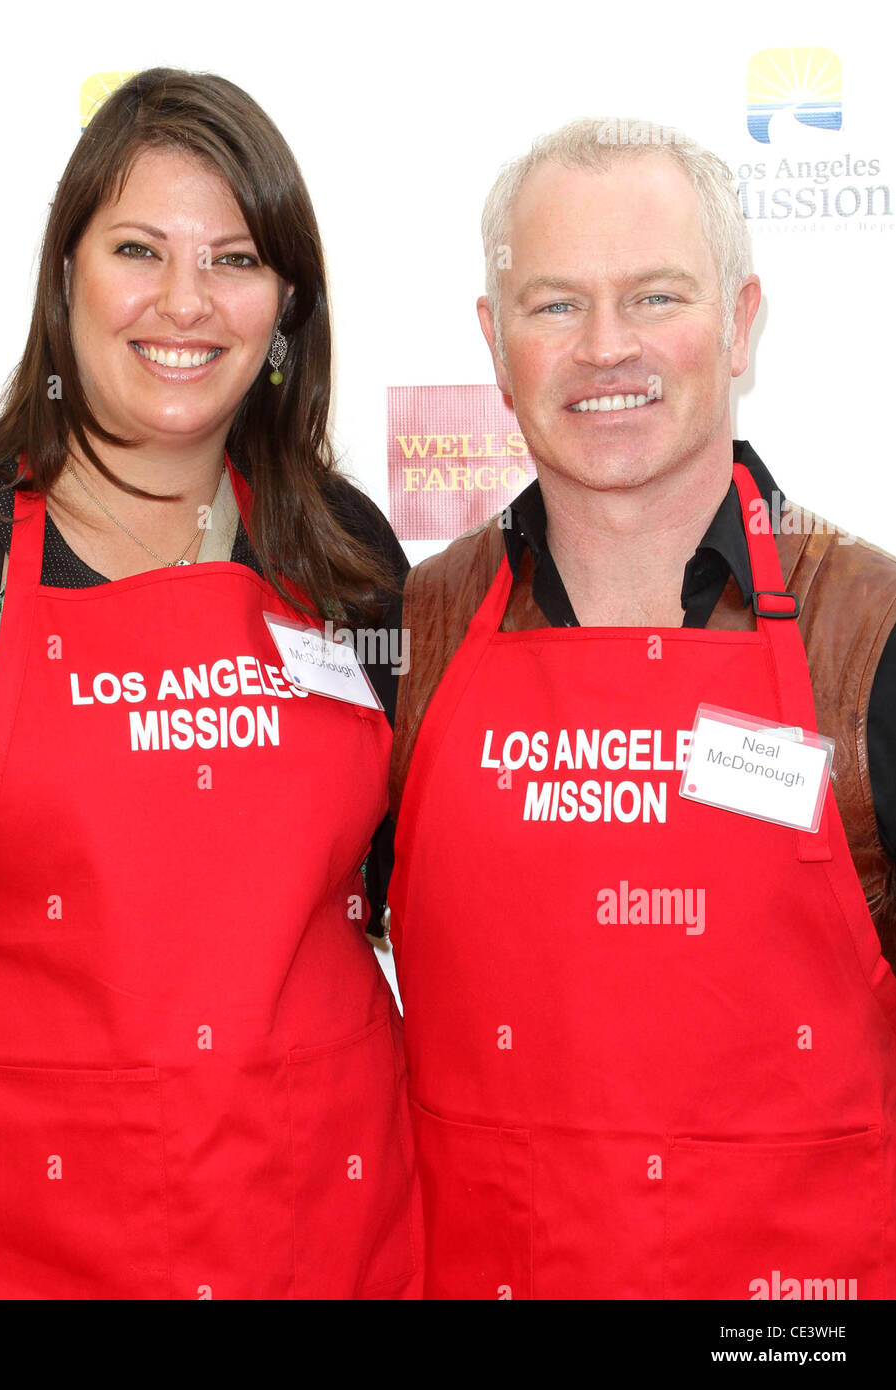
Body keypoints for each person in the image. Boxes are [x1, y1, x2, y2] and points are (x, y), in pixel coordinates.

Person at [0, 68, 422, 1300]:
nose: (185, 302)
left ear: (285, 303)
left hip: (322, 1227)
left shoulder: (344, 552)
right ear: (68, 272)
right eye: (138, 247)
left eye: (237, 258)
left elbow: (412, 896)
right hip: (1, 1242)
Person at [387, 116, 896, 1300]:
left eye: (655, 296)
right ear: (494, 341)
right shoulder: (401, 638)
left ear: (739, 321)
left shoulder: (869, 636)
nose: (604, 347)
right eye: (555, 304)